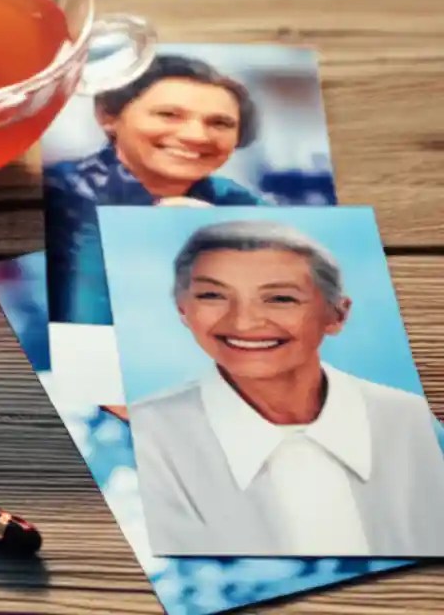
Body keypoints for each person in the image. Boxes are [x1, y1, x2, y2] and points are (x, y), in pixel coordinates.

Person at [131, 220, 444, 556]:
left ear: (337, 314)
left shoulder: (410, 417)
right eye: (213, 295)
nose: (243, 322)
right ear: (183, 311)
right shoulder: (144, 436)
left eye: (280, 298)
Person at [44, 55, 265, 325]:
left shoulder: (237, 202)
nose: (197, 136)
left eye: (220, 123)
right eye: (169, 115)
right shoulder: (57, 194)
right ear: (108, 116)